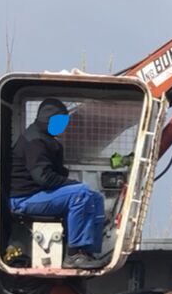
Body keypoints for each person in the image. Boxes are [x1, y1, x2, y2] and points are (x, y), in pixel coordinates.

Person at [9, 98, 106, 269]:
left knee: (95, 197)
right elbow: (44, 178)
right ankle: (74, 254)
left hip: (37, 195)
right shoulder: (35, 142)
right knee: (81, 193)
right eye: (61, 122)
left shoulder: (46, 139)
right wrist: (70, 183)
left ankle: (89, 252)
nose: (64, 126)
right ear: (49, 120)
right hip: (24, 199)